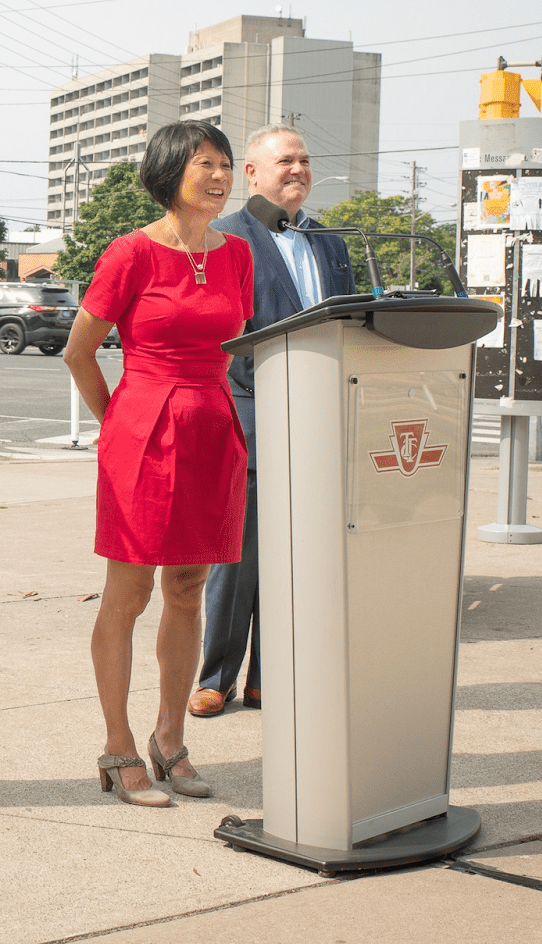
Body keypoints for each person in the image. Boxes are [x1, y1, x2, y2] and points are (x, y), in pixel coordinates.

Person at [63, 120, 255, 807]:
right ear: (171, 170)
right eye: (205, 162)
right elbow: (79, 352)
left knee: (189, 587)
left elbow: (230, 343)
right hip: (142, 429)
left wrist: (202, 401)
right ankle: (117, 747)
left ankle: (170, 739)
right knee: (131, 592)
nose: (219, 175)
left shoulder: (236, 255)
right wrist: (121, 419)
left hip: (211, 428)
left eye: (226, 164)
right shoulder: (130, 253)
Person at [189, 126, 356, 720]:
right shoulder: (222, 238)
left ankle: (270, 676)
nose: (299, 169)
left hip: (320, 420)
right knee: (238, 557)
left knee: (298, 557)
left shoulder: (330, 241)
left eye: (306, 160)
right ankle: (217, 676)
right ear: (252, 174)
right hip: (250, 417)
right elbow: (216, 334)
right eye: (286, 160)